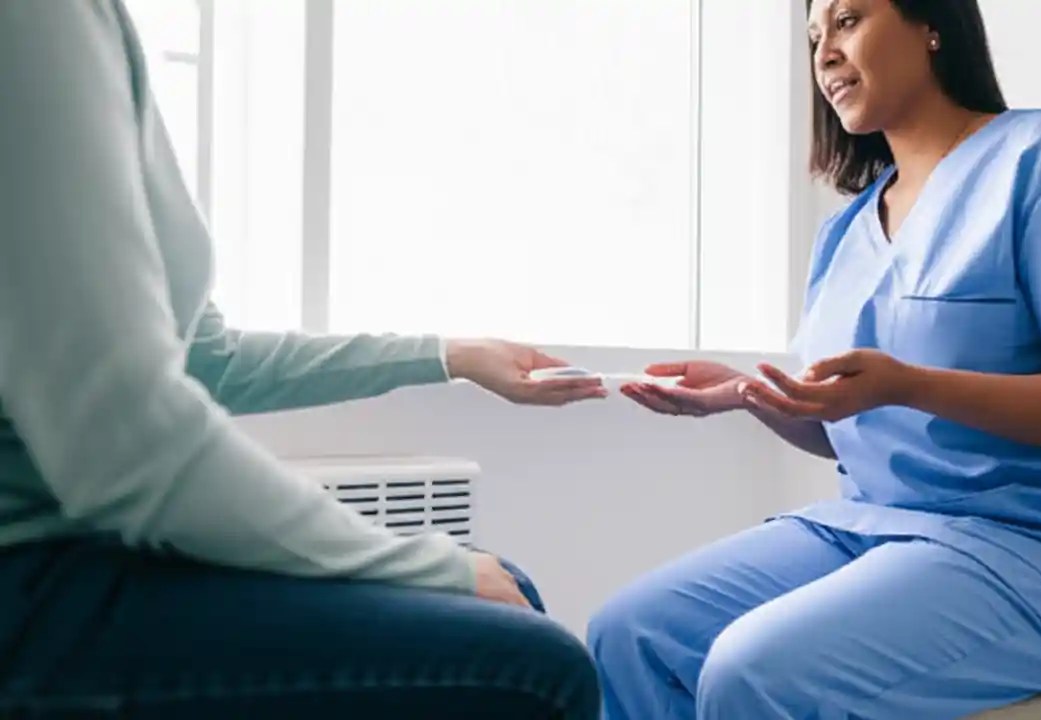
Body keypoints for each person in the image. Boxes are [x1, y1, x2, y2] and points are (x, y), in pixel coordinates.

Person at [0, 1, 602, 718]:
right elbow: (126, 444)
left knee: (510, 593)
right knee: (535, 669)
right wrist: (430, 564)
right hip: (31, 589)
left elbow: (207, 361)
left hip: (75, 559)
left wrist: (450, 356)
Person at [587, 0, 1041, 718]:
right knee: (629, 633)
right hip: (871, 527)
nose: (825, 52)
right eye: (813, 37)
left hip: (1037, 557)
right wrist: (746, 394)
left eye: (849, 19)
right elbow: (846, 430)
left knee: (751, 672)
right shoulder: (847, 229)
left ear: (933, 24)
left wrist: (910, 385)